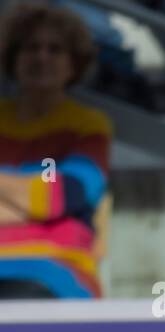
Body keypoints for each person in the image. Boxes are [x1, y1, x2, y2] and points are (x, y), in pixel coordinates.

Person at [0, 0, 111, 298]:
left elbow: (62, 195)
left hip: (55, 269)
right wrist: (28, 196)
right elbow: (46, 196)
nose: (41, 57)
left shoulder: (88, 125)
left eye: (55, 49)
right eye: (31, 48)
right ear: (13, 59)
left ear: (73, 64)